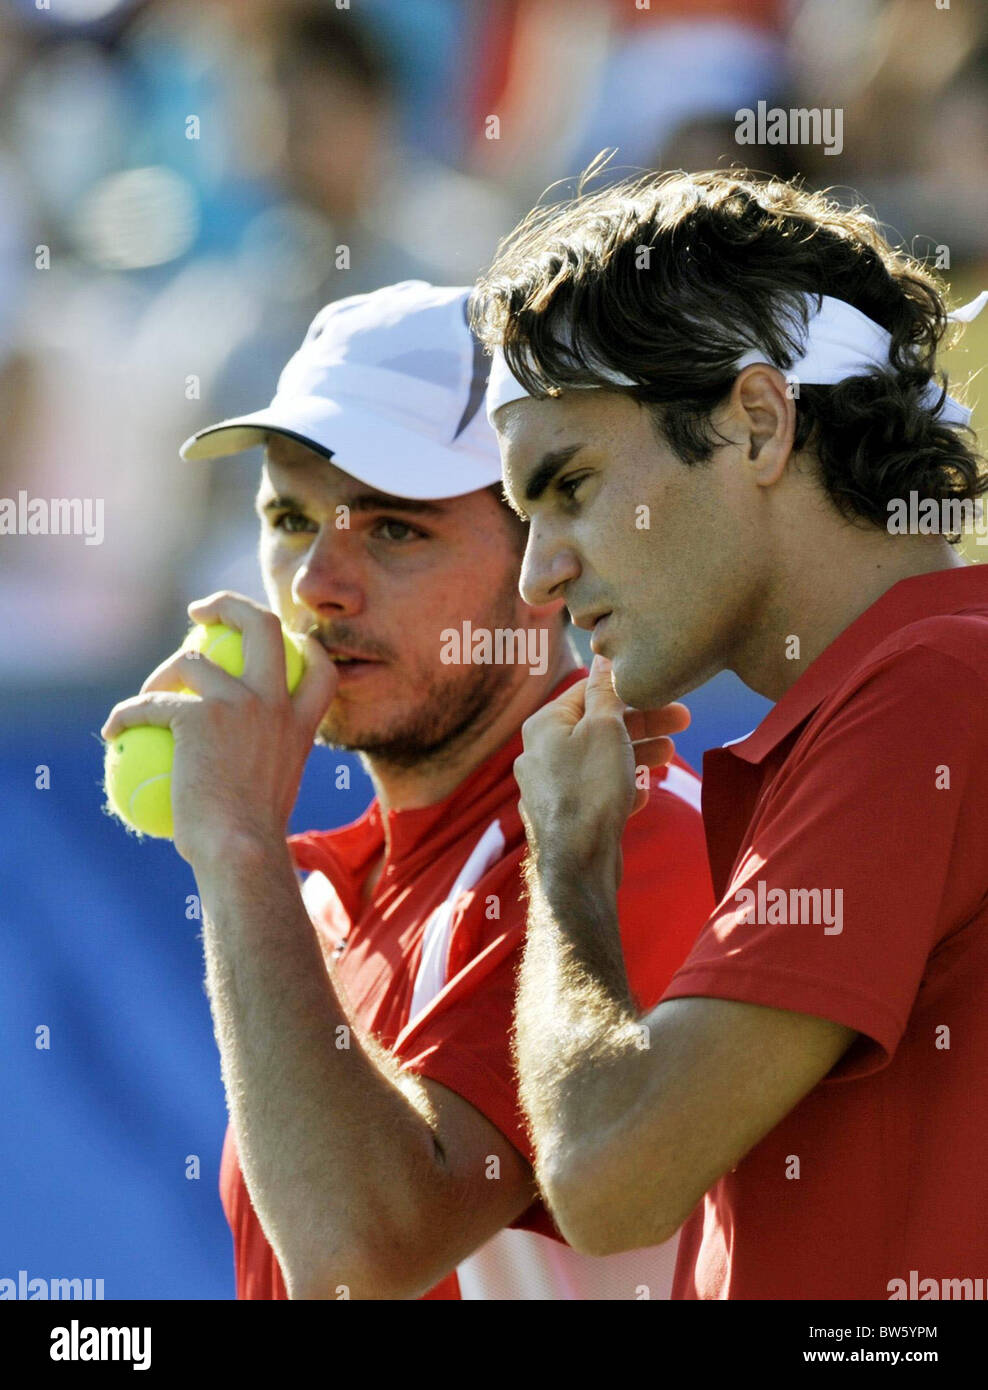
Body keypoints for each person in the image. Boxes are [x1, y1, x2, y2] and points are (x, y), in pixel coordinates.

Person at [100, 280, 713, 1300]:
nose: (313, 585)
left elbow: (360, 1259)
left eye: (392, 529)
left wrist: (241, 845)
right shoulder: (324, 893)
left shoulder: (633, 831)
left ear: (546, 562)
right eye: (291, 518)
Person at [470, 169, 988, 1300]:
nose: (537, 575)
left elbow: (606, 1177)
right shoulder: (924, 682)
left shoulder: (934, 688)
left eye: (571, 485)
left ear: (756, 422)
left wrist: (568, 861)